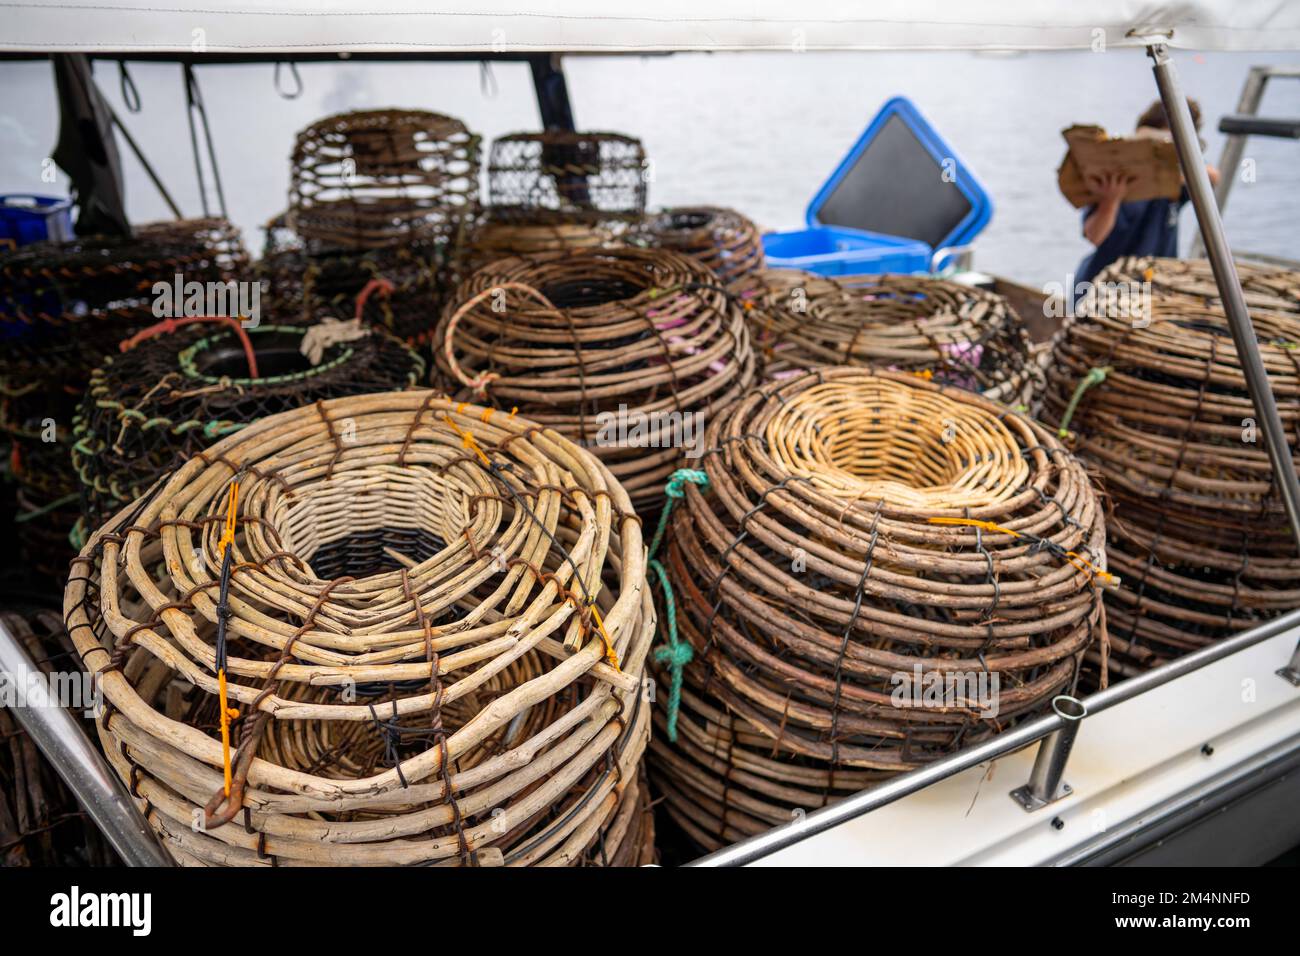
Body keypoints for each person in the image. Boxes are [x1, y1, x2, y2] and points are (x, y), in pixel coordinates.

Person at [1076, 99, 1220, 286]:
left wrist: (1173, 166)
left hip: (1157, 283)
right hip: (1107, 284)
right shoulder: (1115, 173)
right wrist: (1111, 200)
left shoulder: (1179, 176)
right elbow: (1094, 236)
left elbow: (1213, 177)